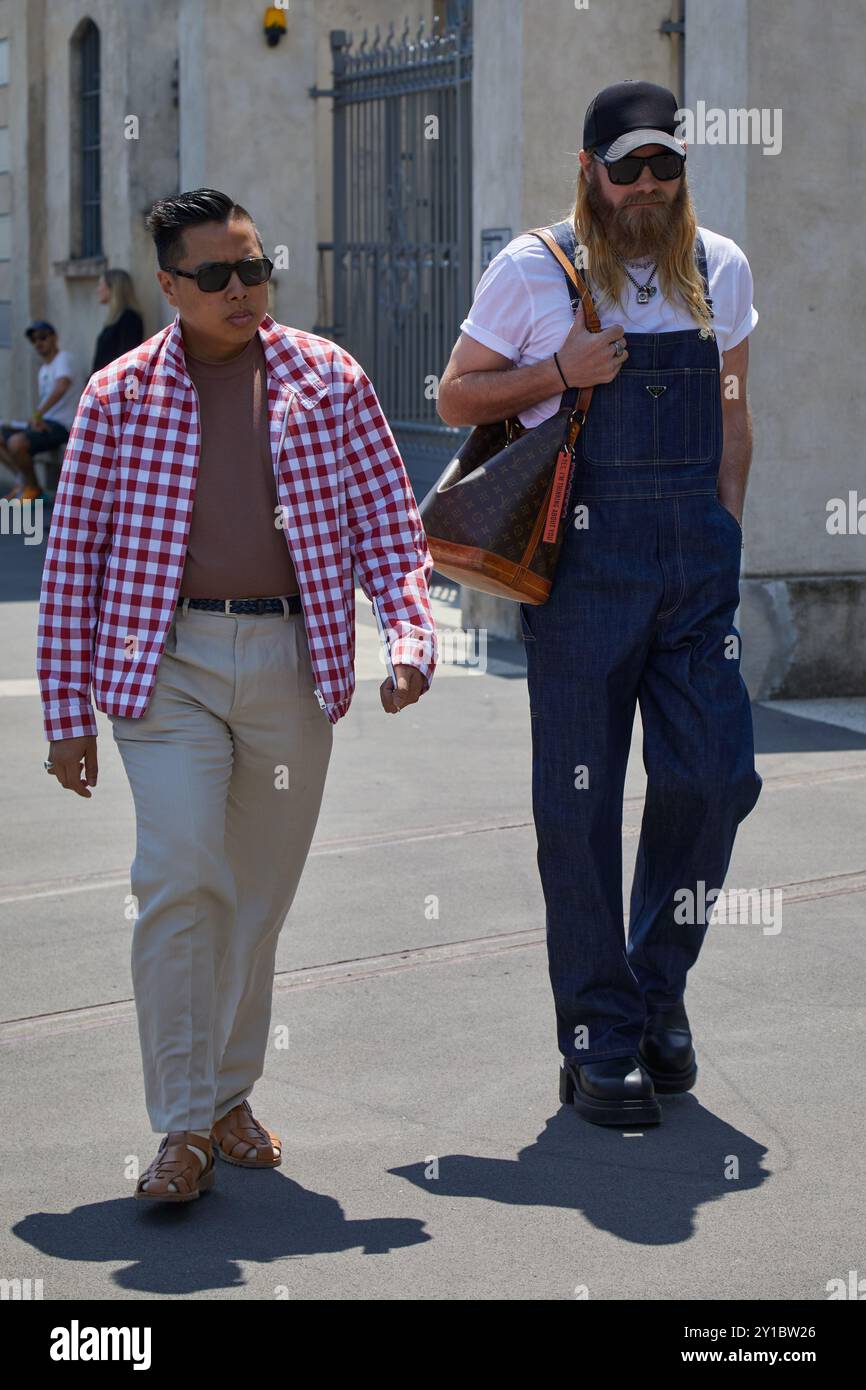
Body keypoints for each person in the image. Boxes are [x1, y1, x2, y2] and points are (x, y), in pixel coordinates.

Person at [37, 188, 438, 1201]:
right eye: (215, 275)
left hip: (290, 662)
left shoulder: (329, 379)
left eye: (253, 268)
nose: (241, 290)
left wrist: (408, 639)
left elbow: (390, 527)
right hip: (162, 667)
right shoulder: (117, 396)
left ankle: (226, 1093)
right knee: (180, 876)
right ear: (169, 285)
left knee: (253, 899)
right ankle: (179, 1127)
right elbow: (71, 562)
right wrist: (63, 717)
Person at [437, 80, 763, 1128]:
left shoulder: (719, 267)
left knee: (714, 778)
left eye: (665, 164)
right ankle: (595, 1037)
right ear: (588, 171)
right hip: (578, 577)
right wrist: (556, 369)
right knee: (576, 811)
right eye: (627, 166)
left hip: (694, 572)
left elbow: (732, 413)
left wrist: (725, 537)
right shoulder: (533, 269)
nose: (648, 184)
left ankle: (651, 989)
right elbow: (453, 396)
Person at [0, 322, 83, 503]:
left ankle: (35, 490)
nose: (38, 342)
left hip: (64, 425)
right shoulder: (44, 369)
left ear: (54, 338)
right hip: (46, 423)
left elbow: (62, 387)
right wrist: (38, 419)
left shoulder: (63, 359)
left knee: (16, 443)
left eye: (43, 337)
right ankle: (22, 482)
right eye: (34, 339)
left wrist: (38, 415)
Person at [91, 268, 144, 372]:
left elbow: (126, 359)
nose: (97, 290)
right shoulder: (116, 317)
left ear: (113, 288)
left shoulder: (129, 318)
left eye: (101, 285)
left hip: (114, 385)